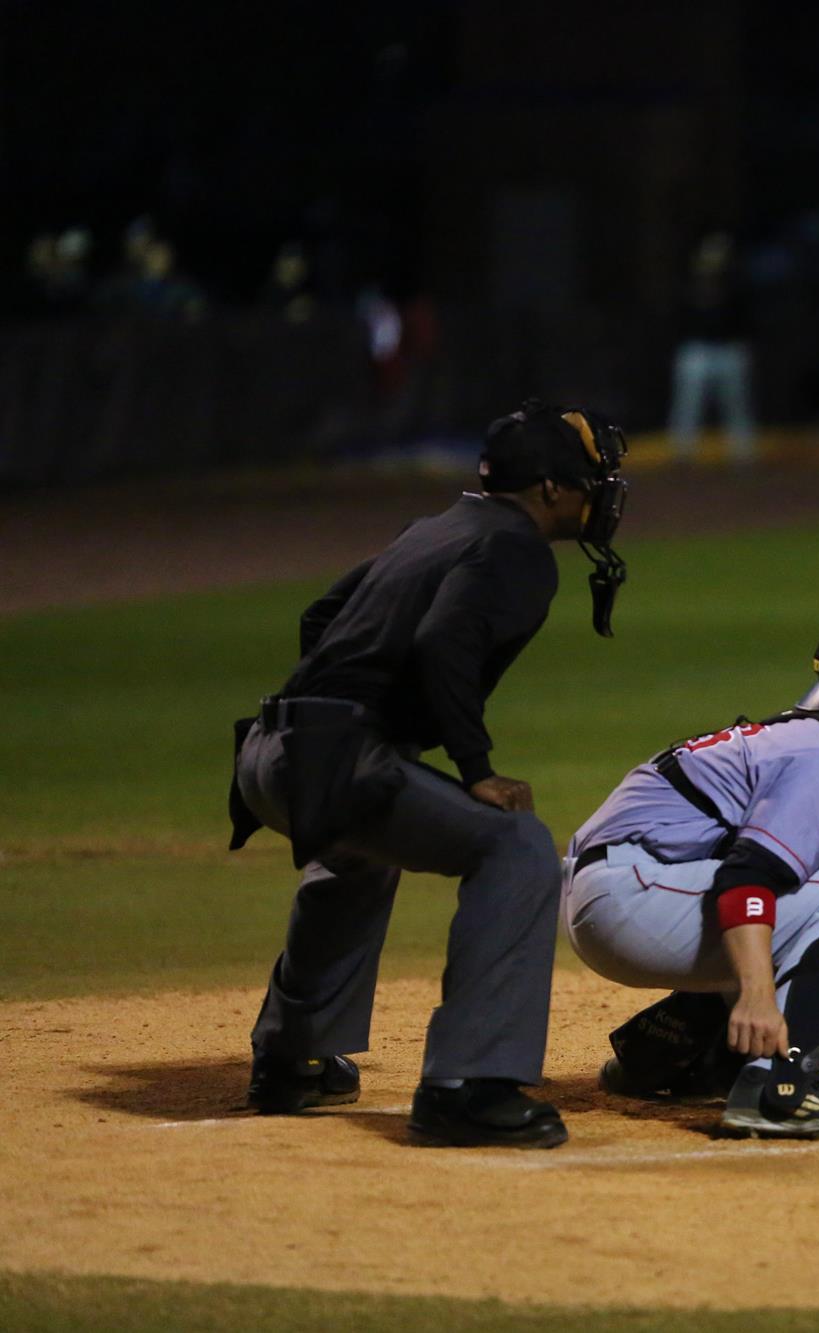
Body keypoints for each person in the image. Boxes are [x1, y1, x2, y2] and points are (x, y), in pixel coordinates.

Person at [227, 400, 632, 1147]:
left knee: (356, 856)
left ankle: (294, 1058)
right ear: (549, 489)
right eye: (588, 480)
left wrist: (352, 730)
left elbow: (323, 618)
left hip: (268, 752)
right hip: (330, 755)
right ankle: (468, 1088)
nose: (599, 494)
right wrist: (474, 767)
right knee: (514, 846)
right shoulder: (517, 546)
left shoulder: (437, 527)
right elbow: (445, 638)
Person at [562, 598, 819, 1140]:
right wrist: (755, 995)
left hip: (618, 891)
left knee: (813, 897)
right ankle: (781, 1091)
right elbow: (746, 880)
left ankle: (664, 1054)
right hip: (630, 898)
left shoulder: (804, 738)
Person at [668, 231, 756, 465]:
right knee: (688, 404)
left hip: (730, 349)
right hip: (696, 349)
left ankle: (743, 453)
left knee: (736, 405)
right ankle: (683, 452)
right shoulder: (690, 285)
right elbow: (680, 318)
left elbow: (745, 319)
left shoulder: (736, 285)